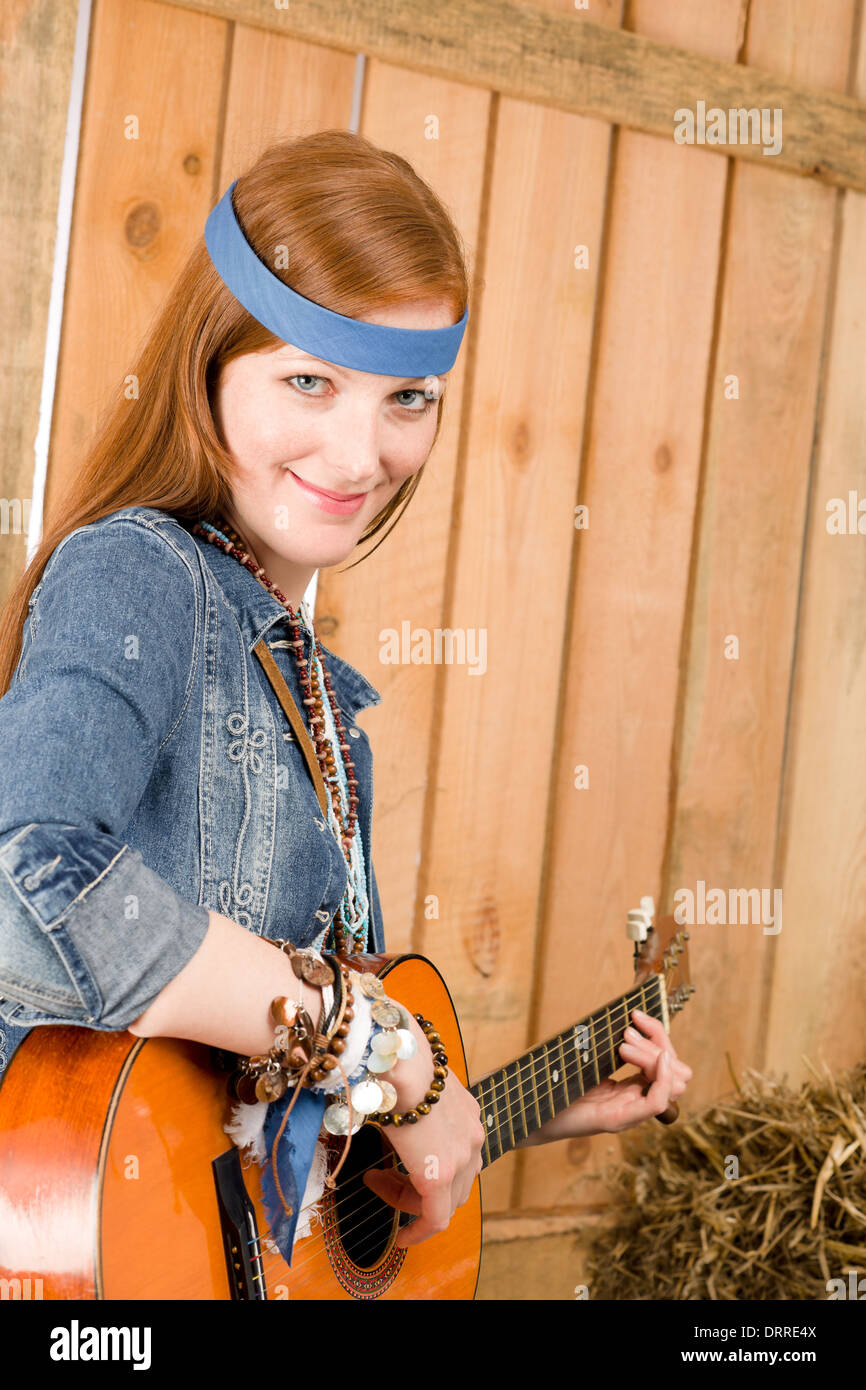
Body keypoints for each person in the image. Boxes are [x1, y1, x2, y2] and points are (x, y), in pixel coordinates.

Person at [0, 130, 691, 1267]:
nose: (361, 452)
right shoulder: (139, 573)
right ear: (208, 364)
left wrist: (483, 1110)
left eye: (407, 398)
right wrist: (381, 1046)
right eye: (308, 380)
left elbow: (240, 1104)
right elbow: (33, 870)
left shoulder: (311, 691)